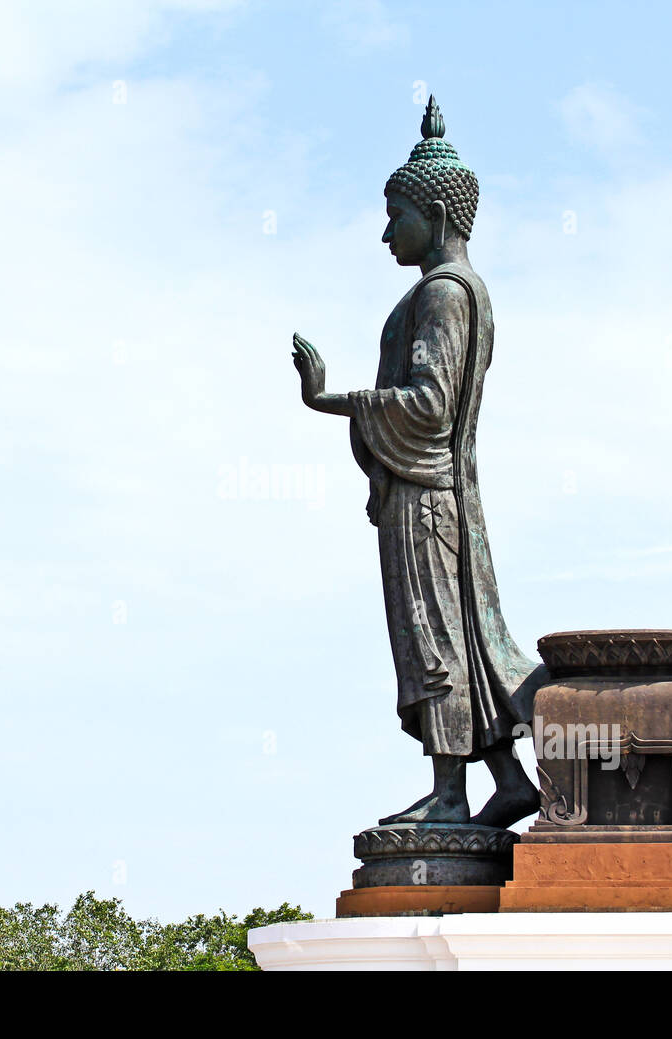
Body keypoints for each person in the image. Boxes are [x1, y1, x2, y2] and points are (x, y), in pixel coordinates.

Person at [290, 97, 547, 829]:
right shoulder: (451, 293)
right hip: (433, 492)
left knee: (437, 639)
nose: (385, 233)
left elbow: (429, 404)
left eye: (394, 215)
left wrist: (329, 397)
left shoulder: (445, 293)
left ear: (435, 215)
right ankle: (505, 778)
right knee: (455, 631)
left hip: (428, 495)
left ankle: (449, 792)